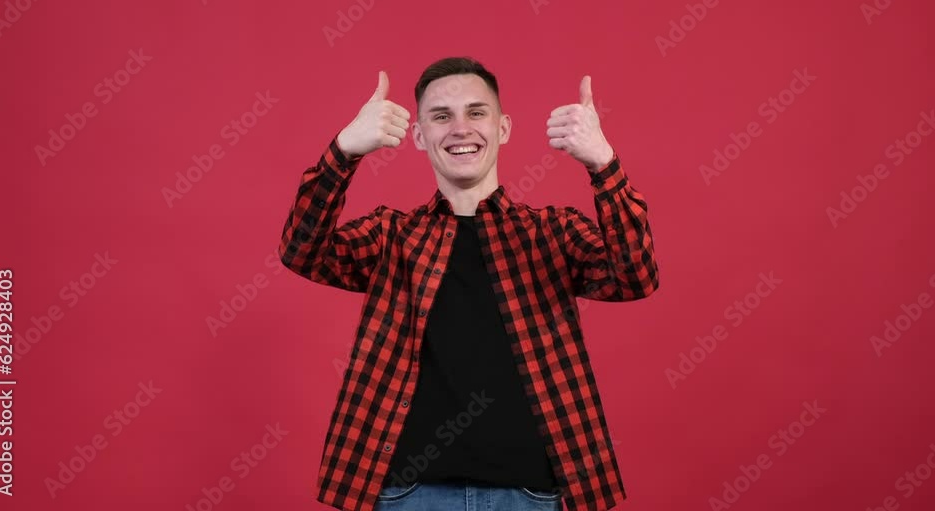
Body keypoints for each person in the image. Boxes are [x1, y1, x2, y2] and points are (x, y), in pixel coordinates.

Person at [278, 56, 659, 511]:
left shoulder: (552, 233)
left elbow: (635, 277)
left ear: (503, 128)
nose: (461, 128)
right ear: (419, 137)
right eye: (441, 116)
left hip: (533, 495)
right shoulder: (392, 236)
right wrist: (344, 151)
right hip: (405, 494)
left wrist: (603, 164)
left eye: (477, 112)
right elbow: (303, 250)